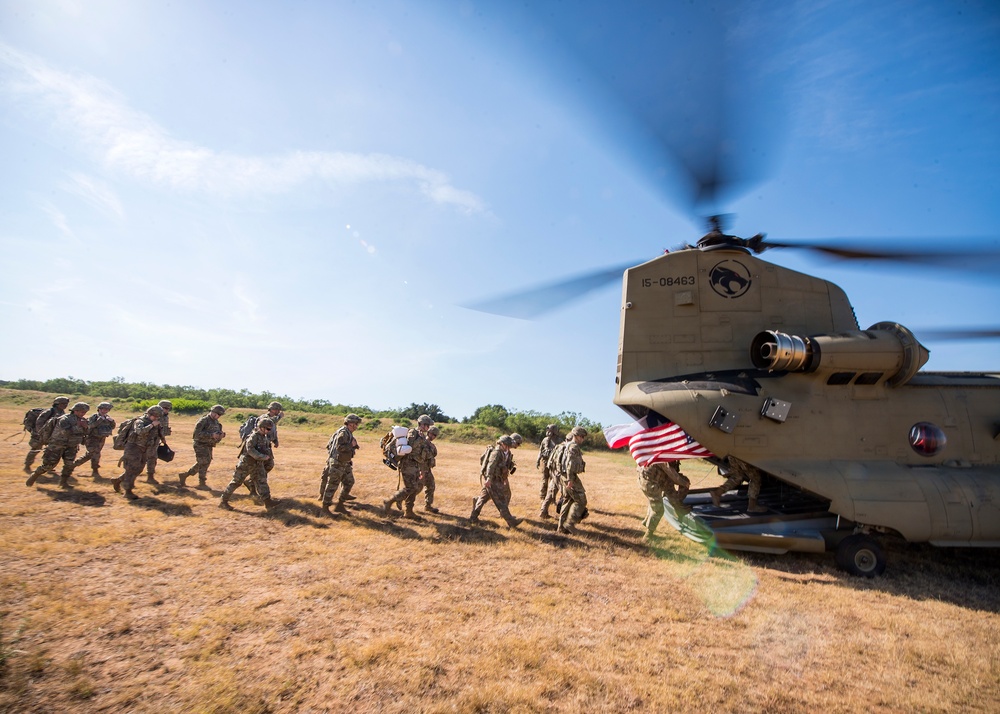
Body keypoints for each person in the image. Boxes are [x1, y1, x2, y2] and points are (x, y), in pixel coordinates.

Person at [26, 402, 90, 489]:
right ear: (75, 410)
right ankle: (35, 475)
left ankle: (63, 483)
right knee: (49, 465)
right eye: (81, 412)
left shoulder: (83, 420)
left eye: (84, 412)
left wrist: (86, 427)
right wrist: (79, 426)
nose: (83, 414)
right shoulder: (65, 419)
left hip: (71, 446)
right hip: (57, 445)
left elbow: (86, 433)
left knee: (69, 465)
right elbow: (65, 431)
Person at [383, 414, 434, 520]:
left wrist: (422, 469)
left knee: (414, 489)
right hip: (407, 464)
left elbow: (421, 454)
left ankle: (409, 511)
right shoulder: (413, 433)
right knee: (410, 488)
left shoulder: (422, 436)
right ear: (421, 424)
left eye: (428, 426)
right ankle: (390, 501)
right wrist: (420, 439)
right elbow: (410, 447)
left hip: (415, 466)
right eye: (427, 425)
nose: (428, 428)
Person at [220, 417, 277, 511]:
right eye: (268, 429)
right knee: (236, 482)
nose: (269, 431)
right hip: (246, 464)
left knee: (262, 481)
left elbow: (266, 450)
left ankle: (268, 502)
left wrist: (268, 459)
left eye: (270, 429)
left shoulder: (264, 437)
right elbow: (250, 450)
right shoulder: (253, 437)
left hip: (257, 464)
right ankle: (223, 501)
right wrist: (262, 456)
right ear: (261, 427)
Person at [469, 435, 523, 528]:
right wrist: (489, 479)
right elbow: (491, 466)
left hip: (497, 479)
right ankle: (511, 522)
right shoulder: (496, 452)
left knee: (483, 498)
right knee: (501, 501)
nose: (509, 447)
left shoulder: (504, 452)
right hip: (493, 480)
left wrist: (505, 478)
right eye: (507, 445)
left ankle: (473, 517)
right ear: (502, 444)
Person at [111, 405, 163, 500]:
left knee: (138, 469)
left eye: (158, 417)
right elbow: (140, 431)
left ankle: (118, 480)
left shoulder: (153, 422)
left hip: (144, 449)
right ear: (149, 414)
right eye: (154, 416)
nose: (156, 418)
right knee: (131, 469)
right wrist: (152, 425)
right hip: (133, 448)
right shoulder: (139, 421)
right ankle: (128, 492)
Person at [320, 414, 362, 517]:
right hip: (337, 463)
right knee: (332, 485)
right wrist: (351, 446)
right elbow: (340, 447)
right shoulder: (343, 433)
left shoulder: (347, 432)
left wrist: (354, 447)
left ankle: (340, 504)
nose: (357, 426)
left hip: (344, 462)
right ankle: (325, 508)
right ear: (351, 423)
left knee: (349, 481)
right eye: (356, 424)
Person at [637, 461, 690, 539]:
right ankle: (648, 535)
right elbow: (673, 475)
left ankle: (680, 512)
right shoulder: (663, 457)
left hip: (660, 478)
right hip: (650, 482)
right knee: (658, 508)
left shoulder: (664, 454)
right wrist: (684, 483)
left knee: (672, 496)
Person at [178, 405, 226, 489]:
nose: (218, 416)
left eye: (220, 415)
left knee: (205, 462)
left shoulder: (217, 423)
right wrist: (211, 435)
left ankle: (186, 475)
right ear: (213, 412)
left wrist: (220, 436)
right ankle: (201, 483)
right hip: (200, 444)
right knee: (203, 462)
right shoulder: (203, 421)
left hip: (209, 445)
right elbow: (196, 435)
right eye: (217, 414)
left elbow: (217, 436)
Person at [23, 396, 70, 474]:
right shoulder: (49, 411)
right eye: (63, 403)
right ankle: (27, 465)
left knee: (49, 452)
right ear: (57, 404)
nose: (65, 405)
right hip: (40, 435)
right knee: (35, 450)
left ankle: (47, 467)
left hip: (51, 436)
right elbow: (39, 422)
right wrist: (40, 433)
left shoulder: (62, 413)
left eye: (66, 404)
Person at [70, 401, 116, 479]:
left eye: (107, 410)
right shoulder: (94, 417)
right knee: (93, 454)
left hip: (101, 438)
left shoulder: (107, 417)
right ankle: (90, 469)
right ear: (99, 409)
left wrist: (112, 421)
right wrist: (99, 421)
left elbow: (112, 427)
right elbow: (89, 426)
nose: (105, 411)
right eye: (103, 409)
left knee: (93, 454)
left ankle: (78, 466)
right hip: (92, 438)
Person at [557, 426, 589, 535]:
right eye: (582, 436)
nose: (583, 439)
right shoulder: (574, 447)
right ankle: (570, 524)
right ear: (576, 436)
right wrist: (570, 479)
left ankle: (561, 527)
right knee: (581, 500)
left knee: (568, 500)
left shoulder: (567, 445)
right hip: (570, 477)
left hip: (564, 476)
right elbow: (570, 464)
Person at [144, 399, 173, 484]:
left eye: (168, 408)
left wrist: (163, 437)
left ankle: (150, 476)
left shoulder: (165, 417)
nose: (166, 410)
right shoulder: (152, 415)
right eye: (165, 408)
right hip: (148, 441)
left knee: (152, 458)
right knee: (149, 458)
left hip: (156, 440)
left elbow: (162, 428)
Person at [536, 424, 560, 517]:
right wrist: (538, 460)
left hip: (553, 464)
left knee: (553, 482)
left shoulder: (559, 441)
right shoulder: (545, 440)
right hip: (545, 462)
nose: (548, 432)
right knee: (544, 480)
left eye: (550, 430)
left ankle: (552, 499)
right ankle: (543, 497)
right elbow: (540, 450)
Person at [422, 425, 441, 513]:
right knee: (415, 488)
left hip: (427, 470)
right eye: (432, 434)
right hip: (420, 469)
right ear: (428, 432)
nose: (433, 436)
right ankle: (407, 506)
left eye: (435, 435)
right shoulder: (421, 443)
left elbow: (434, 454)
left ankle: (428, 506)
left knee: (431, 486)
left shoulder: (432, 446)